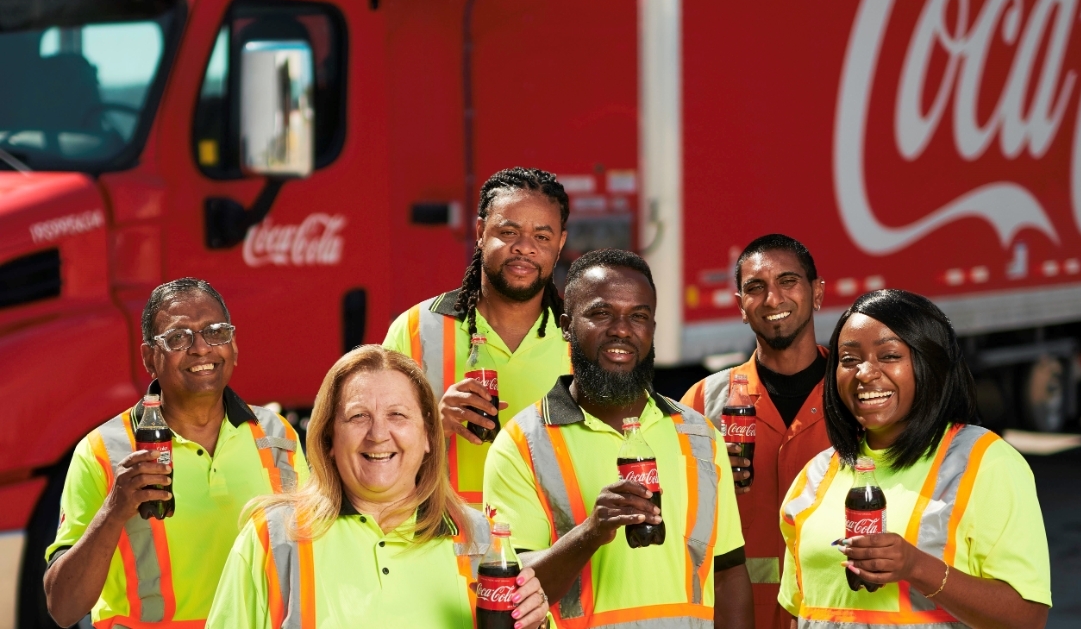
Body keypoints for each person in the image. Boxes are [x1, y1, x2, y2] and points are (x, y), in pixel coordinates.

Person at [484, 249, 754, 629]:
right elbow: (513, 592)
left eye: (638, 316)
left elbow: (728, 575)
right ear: (566, 325)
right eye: (601, 313)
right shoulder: (521, 444)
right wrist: (591, 532)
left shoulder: (700, 436)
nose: (622, 330)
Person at [206, 345, 550, 628]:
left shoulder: (482, 541)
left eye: (397, 415)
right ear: (329, 438)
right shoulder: (274, 538)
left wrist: (535, 622)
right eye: (358, 416)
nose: (378, 434)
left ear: (428, 436)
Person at [44, 278, 308, 628]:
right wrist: (113, 510)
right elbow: (63, 607)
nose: (201, 348)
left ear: (233, 346)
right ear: (149, 358)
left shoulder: (277, 435)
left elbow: (314, 557)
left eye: (216, 332)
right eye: (178, 338)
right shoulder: (103, 450)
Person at [779, 290, 1051, 628]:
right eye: (848, 359)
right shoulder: (817, 474)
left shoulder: (984, 461)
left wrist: (916, 567)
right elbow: (800, 613)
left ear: (930, 364)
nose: (865, 372)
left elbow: (1028, 618)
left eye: (889, 355)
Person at [383, 167, 572, 505]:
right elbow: (371, 442)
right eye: (509, 232)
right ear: (481, 232)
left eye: (542, 237)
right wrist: (432, 424)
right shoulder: (417, 328)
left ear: (560, 243)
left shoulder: (581, 337)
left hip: (547, 535)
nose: (525, 248)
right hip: (443, 531)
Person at [681, 234, 830, 629]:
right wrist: (706, 482)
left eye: (788, 281)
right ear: (741, 306)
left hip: (833, 610)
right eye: (756, 287)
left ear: (817, 292)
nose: (772, 299)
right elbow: (675, 514)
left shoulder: (852, 394)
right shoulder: (703, 401)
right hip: (739, 616)